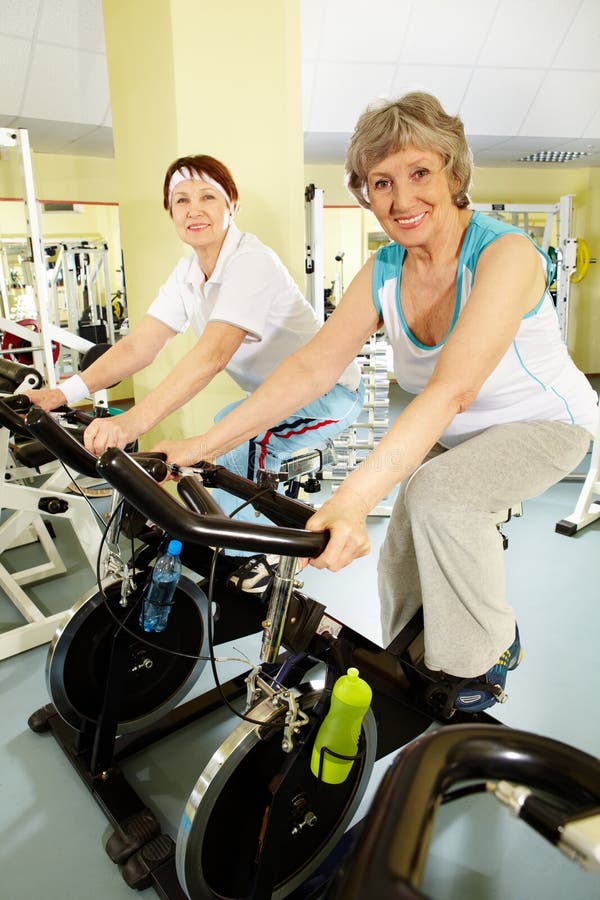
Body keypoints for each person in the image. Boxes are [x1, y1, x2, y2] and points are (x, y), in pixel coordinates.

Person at [153, 94, 598, 713]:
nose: (401, 199)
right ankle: (407, 658)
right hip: (458, 428)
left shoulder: (506, 256)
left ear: (454, 174)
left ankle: (477, 663)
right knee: (402, 543)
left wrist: (351, 501)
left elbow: (452, 388)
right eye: (381, 182)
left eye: (420, 173)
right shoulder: (385, 266)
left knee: (441, 497)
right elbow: (312, 365)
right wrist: (200, 447)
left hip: (545, 424)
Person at [24, 154, 364, 588]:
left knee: (242, 442)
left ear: (231, 206)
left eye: (208, 196)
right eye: (181, 200)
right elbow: (139, 346)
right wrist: (62, 393)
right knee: (224, 433)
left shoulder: (250, 261)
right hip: (274, 396)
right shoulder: (188, 273)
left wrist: (130, 423)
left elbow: (212, 356)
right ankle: (224, 541)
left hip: (331, 393)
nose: (194, 208)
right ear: (172, 213)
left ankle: (262, 557)